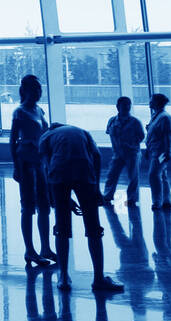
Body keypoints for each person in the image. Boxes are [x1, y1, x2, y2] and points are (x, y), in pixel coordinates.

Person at [40, 121, 123, 293]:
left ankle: (63, 277)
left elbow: (47, 166)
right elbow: (97, 156)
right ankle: (99, 279)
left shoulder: (46, 136)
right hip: (85, 172)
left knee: (61, 227)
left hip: (59, 173)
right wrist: (96, 188)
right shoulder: (82, 131)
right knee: (93, 228)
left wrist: (59, 197)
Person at [11, 75, 55, 267]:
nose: (39, 92)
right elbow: (13, 141)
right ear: (26, 90)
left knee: (44, 206)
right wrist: (16, 167)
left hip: (40, 162)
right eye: (35, 89)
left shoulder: (40, 110)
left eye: (40, 89)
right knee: (28, 206)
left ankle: (45, 247)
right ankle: (30, 249)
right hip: (27, 162)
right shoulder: (20, 112)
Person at [102, 96, 144, 206]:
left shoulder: (135, 122)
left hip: (132, 153)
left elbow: (141, 136)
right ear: (117, 107)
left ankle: (132, 198)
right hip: (118, 153)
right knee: (112, 175)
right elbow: (109, 132)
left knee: (133, 176)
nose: (126, 107)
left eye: (128, 105)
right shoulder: (112, 121)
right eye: (124, 105)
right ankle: (107, 195)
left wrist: (130, 144)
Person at [147, 94, 171, 210]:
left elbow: (167, 136)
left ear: (157, 102)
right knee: (162, 175)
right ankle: (166, 200)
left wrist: (167, 152)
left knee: (153, 175)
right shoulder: (156, 116)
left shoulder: (165, 118)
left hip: (160, 151)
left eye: (151, 101)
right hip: (155, 150)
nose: (149, 103)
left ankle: (157, 201)